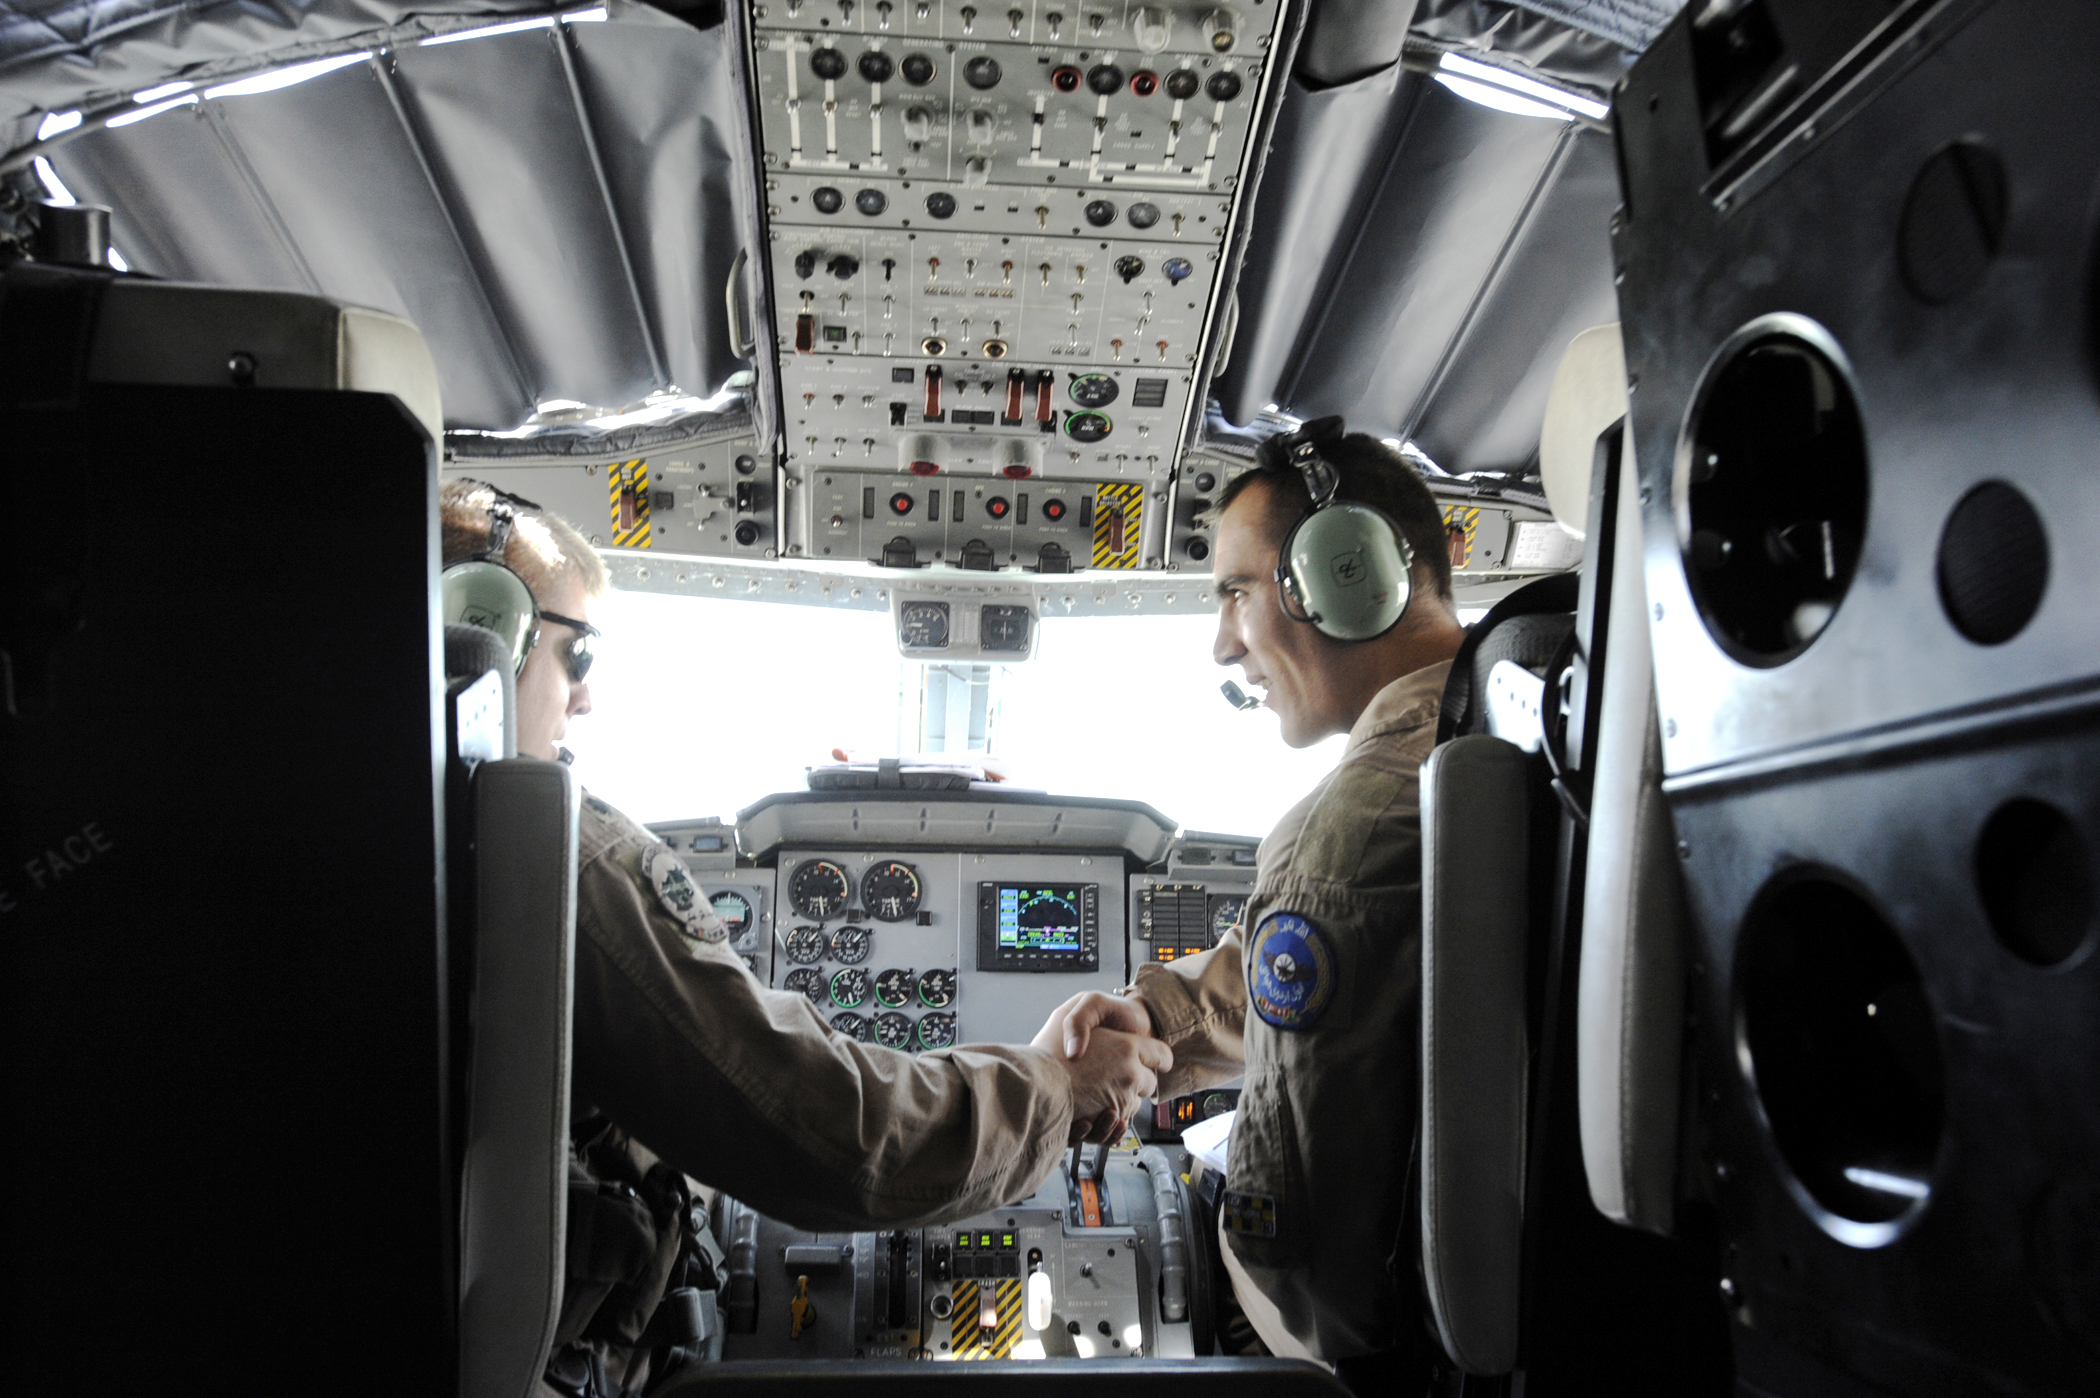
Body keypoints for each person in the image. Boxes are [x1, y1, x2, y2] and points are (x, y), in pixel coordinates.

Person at [438, 481, 1171, 1394]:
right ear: (482, 625)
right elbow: (825, 1128)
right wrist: (1059, 1085)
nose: (582, 697)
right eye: (575, 651)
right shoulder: (560, 859)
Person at [1049, 422, 1469, 1389]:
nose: (1222, 643)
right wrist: (1154, 1019)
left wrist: (1218, 1230)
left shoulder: (1351, 826)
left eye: (1238, 590)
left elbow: (1303, 1252)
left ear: (1347, 570)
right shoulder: (1506, 713)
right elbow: (1322, 960)